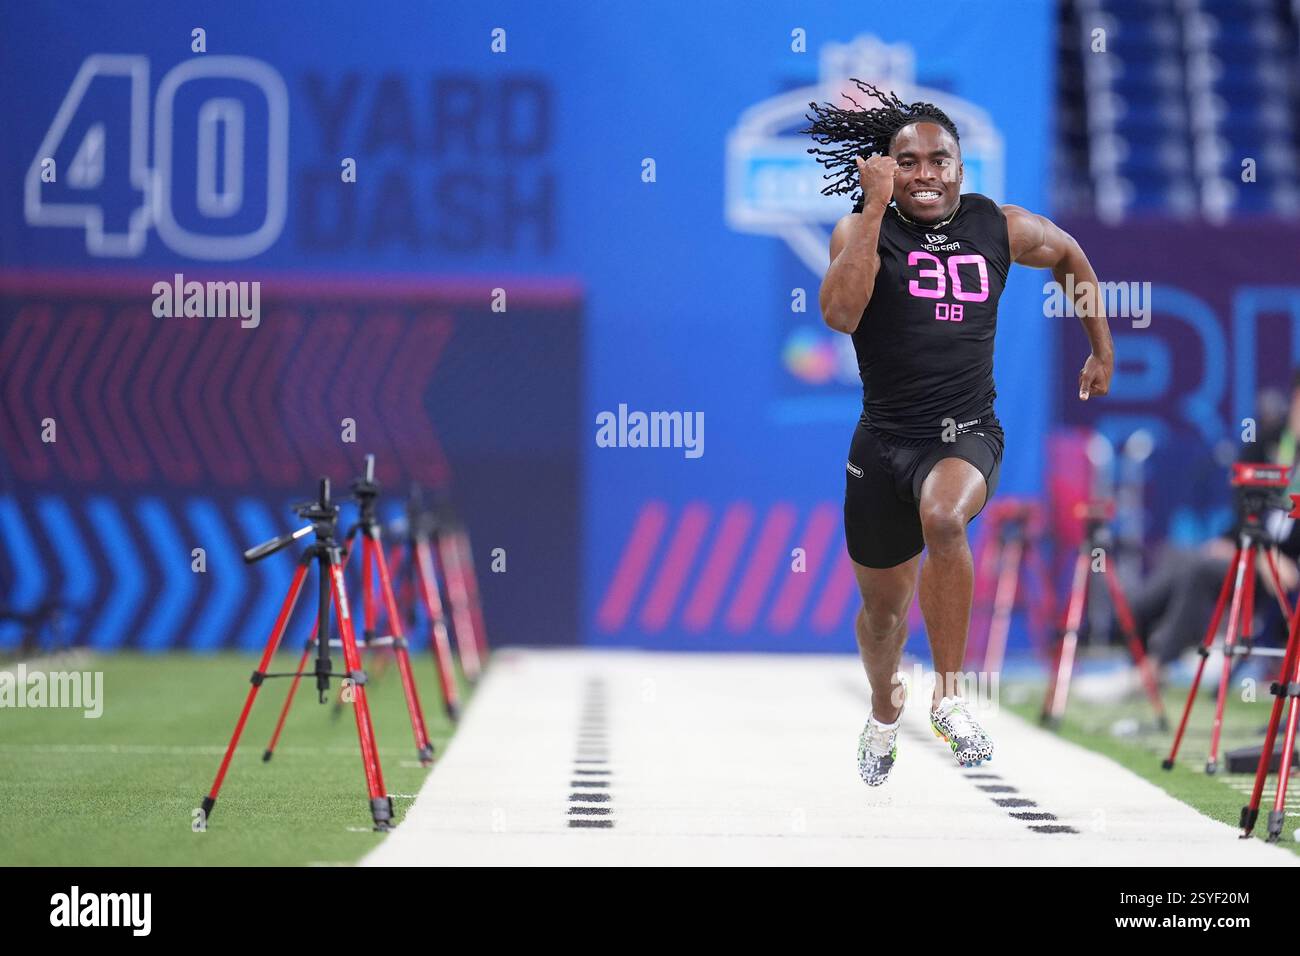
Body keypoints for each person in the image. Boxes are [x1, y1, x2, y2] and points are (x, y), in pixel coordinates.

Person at [804, 83, 1114, 785]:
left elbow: (1069, 255)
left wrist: (1101, 345)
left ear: (960, 168)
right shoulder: (860, 230)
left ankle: (949, 695)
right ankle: (886, 711)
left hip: (966, 432)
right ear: (885, 168)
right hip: (882, 444)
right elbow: (840, 315)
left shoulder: (997, 226)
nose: (926, 174)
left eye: (939, 160)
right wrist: (874, 206)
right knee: (883, 617)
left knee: (945, 517)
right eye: (907, 162)